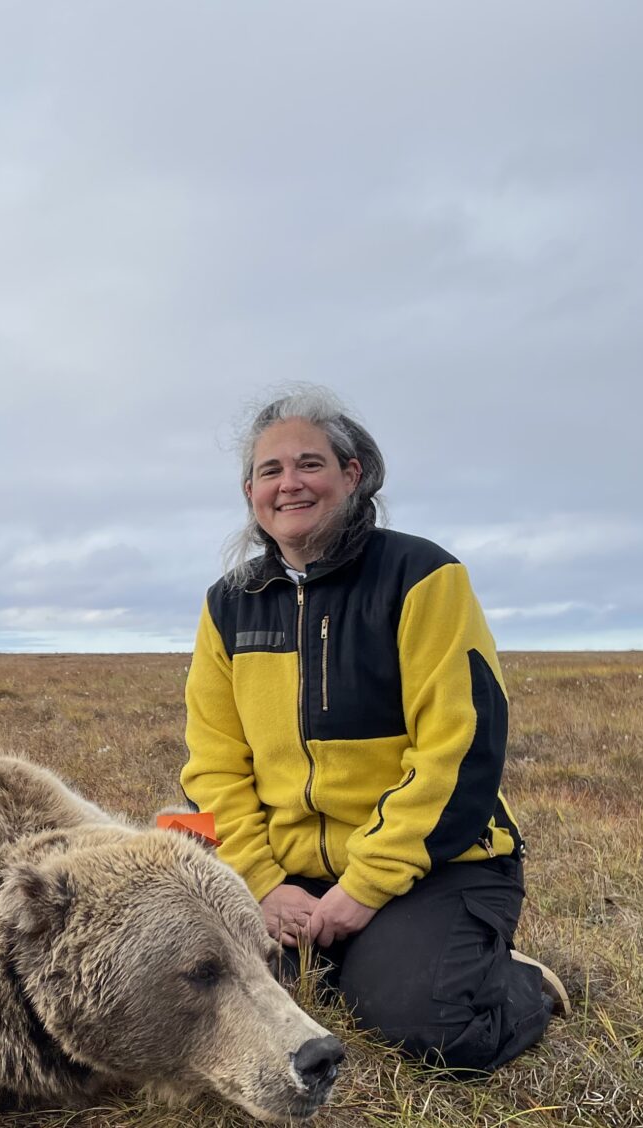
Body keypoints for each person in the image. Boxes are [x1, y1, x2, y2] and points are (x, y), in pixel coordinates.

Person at [181, 386, 567, 1074]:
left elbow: (461, 751)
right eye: (270, 471)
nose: (289, 484)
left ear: (352, 475)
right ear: (250, 492)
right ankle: (347, 961)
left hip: (433, 864)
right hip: (287, 873)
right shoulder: (228, 607)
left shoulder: (423, 577)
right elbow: (215, 766)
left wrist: (363, 890)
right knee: (183, 987)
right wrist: (264, 885)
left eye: (310, 464)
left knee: (427, 1026)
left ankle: (520, 983)